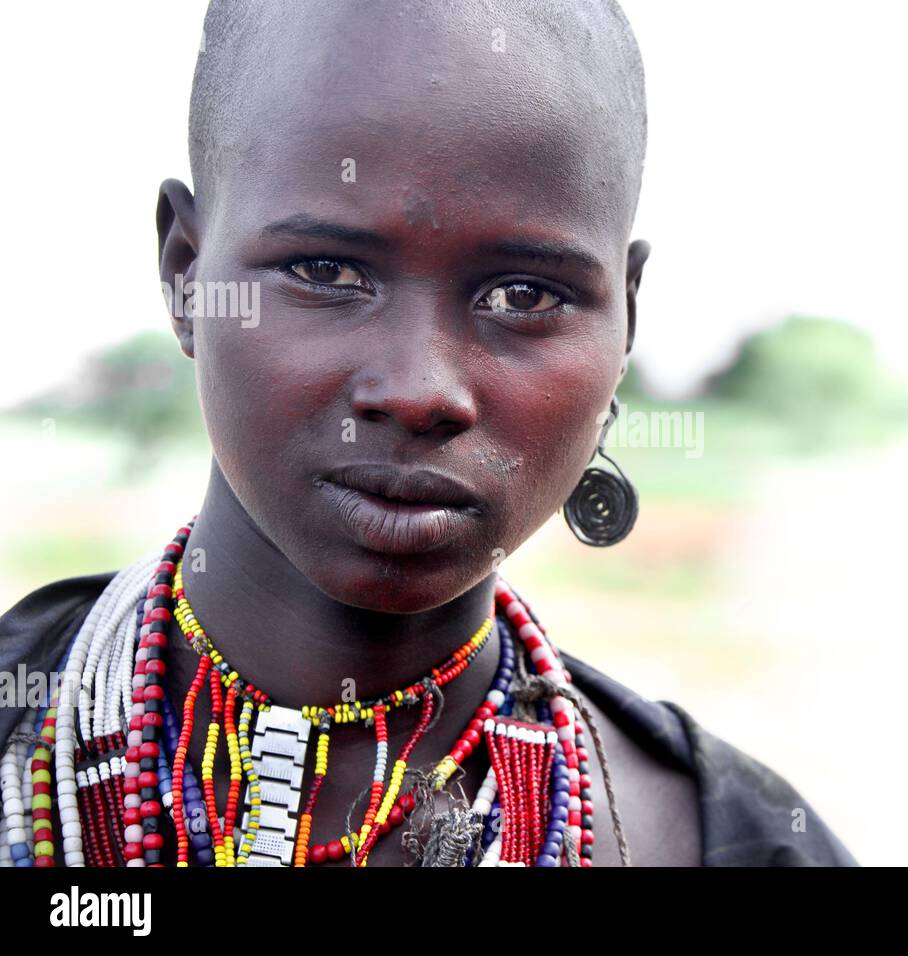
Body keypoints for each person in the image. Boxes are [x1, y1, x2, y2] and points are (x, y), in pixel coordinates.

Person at [0, 0, 856, 867]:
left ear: (625, 324)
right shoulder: (19, 742)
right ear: (187, 275)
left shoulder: (723, 842)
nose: (419, 391)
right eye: (326, 271)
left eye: (524, 295)